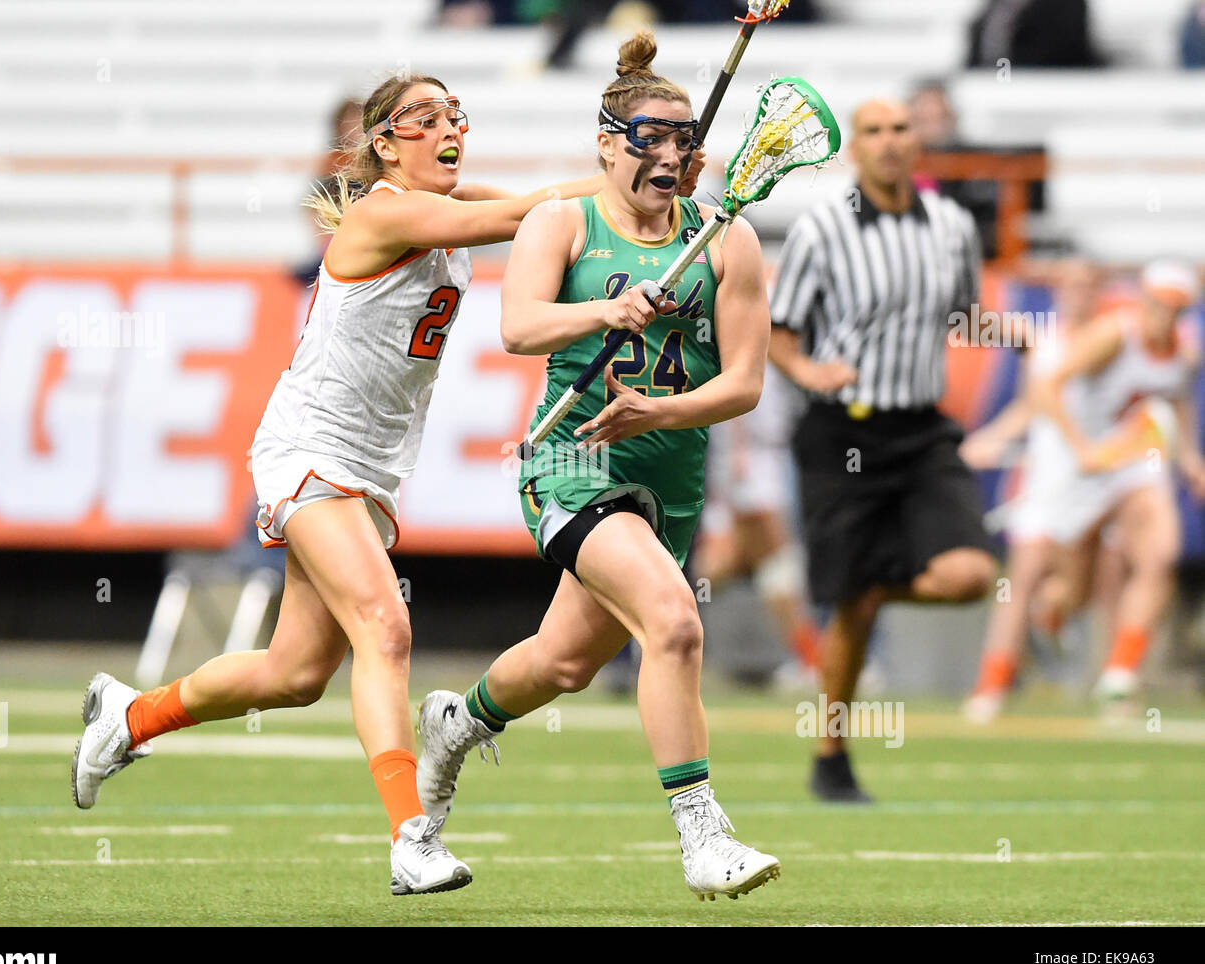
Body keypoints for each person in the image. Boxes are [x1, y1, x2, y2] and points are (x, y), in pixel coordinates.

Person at [70, 71, 605, 897]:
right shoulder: (388, 209)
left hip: (371, 467)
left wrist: (639, 179)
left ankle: (130, 716)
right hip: (310, 450)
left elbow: (547, 207)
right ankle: (411, 837)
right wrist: (628, 174)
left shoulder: (449, 205)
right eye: (423, 118)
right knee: (384, 627)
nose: (446, 127)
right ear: (385, 142)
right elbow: (518, 214)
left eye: (453, 114)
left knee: (293, 674)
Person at [415, 31, 782, 901]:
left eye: (684, 139)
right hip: (574, 461)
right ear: (609, 144)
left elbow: (745, 384)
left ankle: (456, 724)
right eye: (652, 138)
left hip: (673, 476)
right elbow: (518, 327)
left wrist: (665, 410)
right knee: (676, 625)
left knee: (564, 663)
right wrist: (604, 312)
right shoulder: (562, 222)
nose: (671, 155)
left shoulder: (727, 240)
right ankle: (703, 836)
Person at [767, 98, 996, 802]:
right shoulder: (824, 228)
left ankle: (865, 576)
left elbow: (966, 315)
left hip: (921, 428)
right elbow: (779, 331)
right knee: (853, 613)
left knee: (970, 576)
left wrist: (1017, 334)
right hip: (843, 430)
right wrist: (808, 372)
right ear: (853, 149)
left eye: (901, 129)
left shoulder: (954, 227)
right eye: (874, 131)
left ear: (917, 144)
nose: (891, 142)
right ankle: (830, 755)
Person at [1030, 261, 1205, 707]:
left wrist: (1189, 458)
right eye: (1160, 302)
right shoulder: (1113, 335)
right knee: (1075, 591)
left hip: (1137, 462)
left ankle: (1121, 669)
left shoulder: (1183, 351)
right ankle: (1049, 617)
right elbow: (1048, 386)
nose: (1166, 313)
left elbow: (1175, 400)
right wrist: (1082, 446)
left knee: (1160, 554)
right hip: (1086, 470)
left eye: (1176, 306)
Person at [960, 260, 1106, 721]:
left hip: (1095, 479)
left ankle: (1076, 643)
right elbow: (1030, 405)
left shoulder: (1109, 341)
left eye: (1086, 286)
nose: (1076, 294)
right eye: (1070, 285)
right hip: (1048, 475)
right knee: (1021, 578)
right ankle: (992, 685)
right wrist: (992, 437)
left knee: (1077, 588)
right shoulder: (1042, 339)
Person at [697, 364, 821, 688]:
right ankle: (812, 662)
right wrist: (739, 461)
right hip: (749, 470)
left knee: (763, 568)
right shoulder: (745, 349)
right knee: (772, 565)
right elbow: (738, 403)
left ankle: (657, 644)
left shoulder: (774, 354)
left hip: (762, 465)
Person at [967, 0, 1102, 69]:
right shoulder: (998, 5)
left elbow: (1058, 51)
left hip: (1041, 89)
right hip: (988, 86)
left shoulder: (1066, 5)